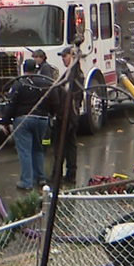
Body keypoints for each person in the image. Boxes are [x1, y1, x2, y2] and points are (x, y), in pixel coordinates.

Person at [1, 59, 55, 190]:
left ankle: (26, 182)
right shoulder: (45, 83)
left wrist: (6, 121)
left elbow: (11, 103)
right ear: (36, 69)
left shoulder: (19, 84)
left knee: (25, 151)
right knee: (38, 149)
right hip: (42, 119)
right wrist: (50, 115)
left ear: (24, 70)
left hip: (24, 120)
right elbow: (53, 100)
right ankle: (40, 178)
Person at [51, 45, 83, 185]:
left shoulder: (74, 75)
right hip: (67, 115)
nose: (63, 59)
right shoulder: (68, 73)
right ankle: (68, 174)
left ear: (73, 57)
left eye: (65, 56)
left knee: (62, 146)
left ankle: (60, 175)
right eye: (62, 57)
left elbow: (73, 97)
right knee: (69, 145)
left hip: (68, 116)